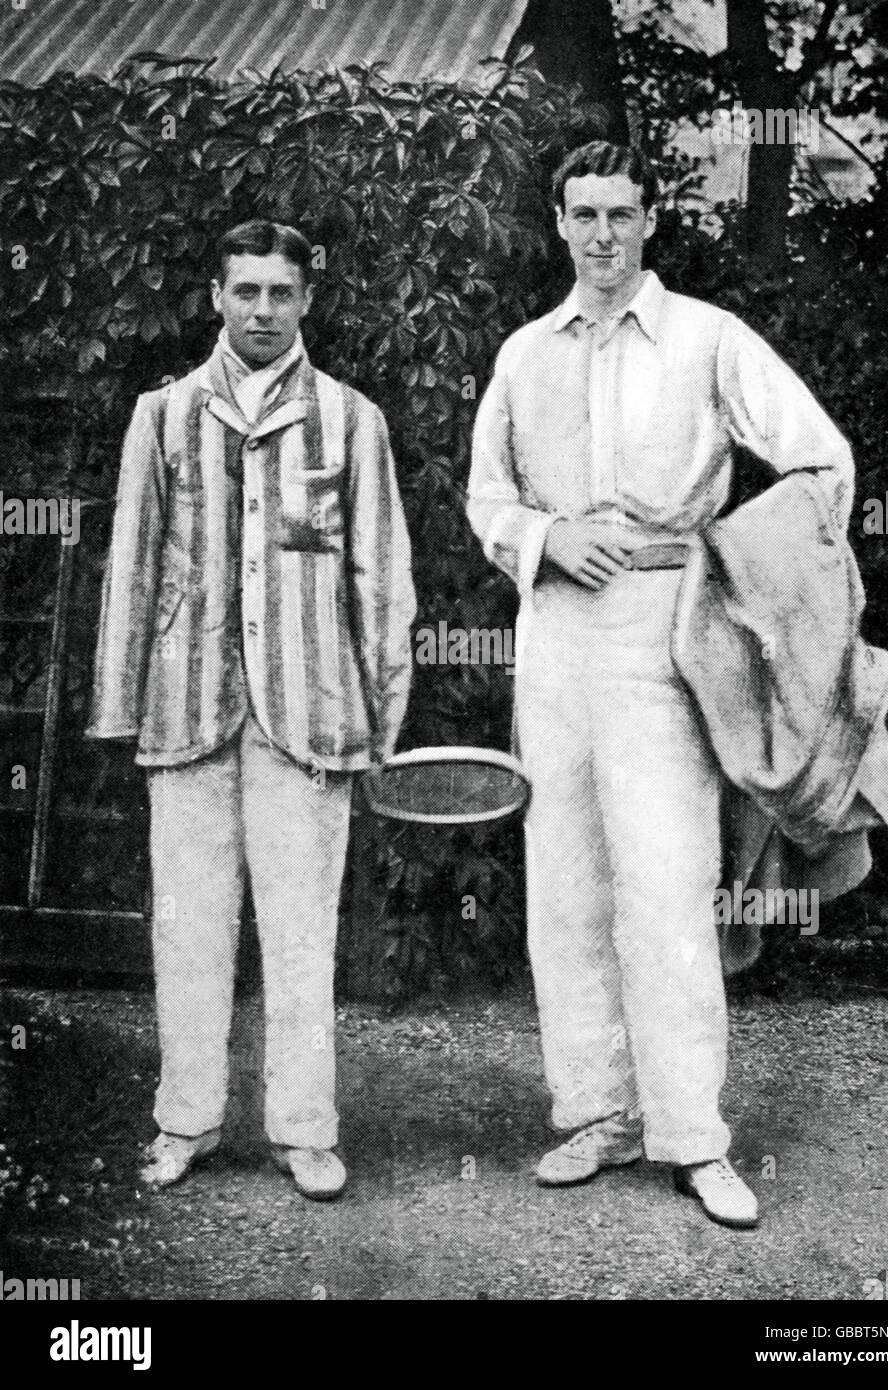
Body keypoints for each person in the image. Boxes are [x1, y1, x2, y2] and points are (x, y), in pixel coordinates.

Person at [467, 140, 866, 1229]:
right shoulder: (523, 355)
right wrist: (545, 537)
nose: (602, 235)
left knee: (668, 883)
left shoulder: (707, 338)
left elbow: (820, 462)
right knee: (566, 885)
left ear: (651, 222)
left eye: (621, 214)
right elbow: (484, 499)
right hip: (553, 636)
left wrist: (733, 575)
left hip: (666, 636)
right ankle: (598, 1114)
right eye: (583, 214)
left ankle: (692, 1137)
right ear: (557, 223)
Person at [88, 220, 415, 1200]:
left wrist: (382, 725)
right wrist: (120, 708)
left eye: (281, 292)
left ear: (308, 299)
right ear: (215, 297)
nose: (262, 311)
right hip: (186, 714)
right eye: (245, 292)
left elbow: (380, 579)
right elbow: (133, 566)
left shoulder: (352, 420)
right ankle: (184, 1121)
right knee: (188, 932)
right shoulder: (164, 414)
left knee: (303, 935)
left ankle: (305, 1132)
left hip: (310, 722)